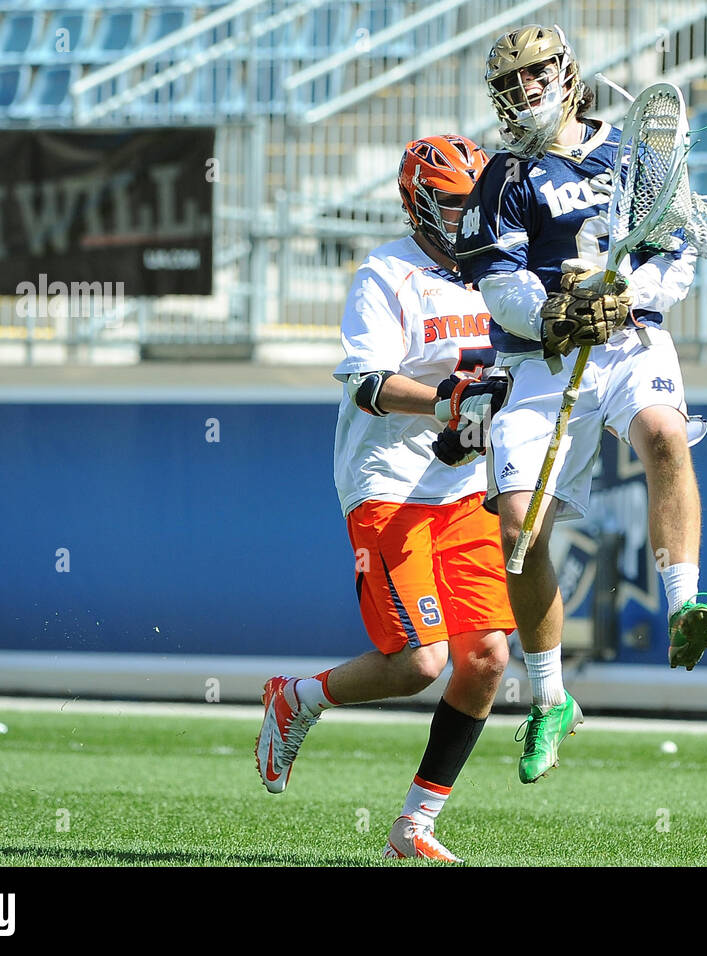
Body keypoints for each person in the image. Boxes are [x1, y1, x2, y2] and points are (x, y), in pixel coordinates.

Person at [453, 24, 707, 785]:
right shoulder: (504, 175)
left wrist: (627, 294)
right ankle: (549, 697)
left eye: (537, 74)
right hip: (540, 359)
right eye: (512, 82)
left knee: (664, 435)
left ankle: (684, 604)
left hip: (630, 339)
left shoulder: (632, 155)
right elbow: (499, 282)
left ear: (566, 74)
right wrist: (555, 314)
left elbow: (678, 252)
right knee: (520, 528)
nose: (526, 90)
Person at [255, 134, 514, 863]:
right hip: (391, 484)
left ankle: (414, 826)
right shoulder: (385, 273)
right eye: (455, 205)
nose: (469, 218)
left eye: (476, 204)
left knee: (487, 657)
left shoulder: (503, 270)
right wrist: (448, 402)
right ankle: (296, 698)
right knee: (418, 663)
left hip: (464, 484)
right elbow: (369, 386)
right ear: (419, 203)